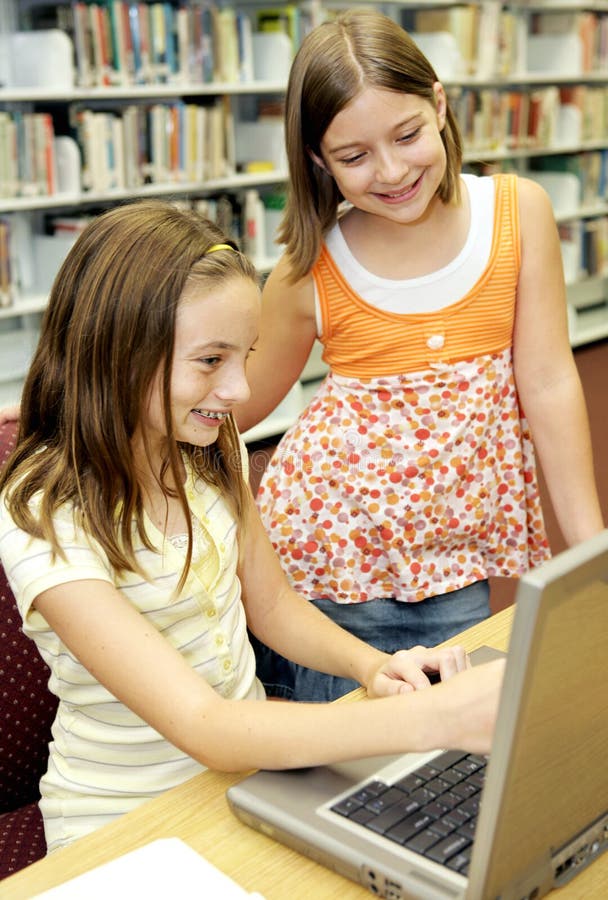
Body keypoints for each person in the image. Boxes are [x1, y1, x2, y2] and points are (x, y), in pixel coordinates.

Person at [0, 200, 504, 854]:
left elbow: (270, 603)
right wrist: (427, 719)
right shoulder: (44, 513)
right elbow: (205, 725)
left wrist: (374, 669)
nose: (238, 389)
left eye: (246, 355)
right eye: (211, 361)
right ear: (117, 351)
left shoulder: (208, 448)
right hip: (123, 824)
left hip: (248, 780)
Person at [234, 10, 605, 702]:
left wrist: (591, 553)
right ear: (318, 159)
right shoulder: (308, 267)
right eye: (354, 156)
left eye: (406, 135)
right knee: (345, 771)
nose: (392, 169)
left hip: (454, 562)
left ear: (439, 105)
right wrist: (95, 398)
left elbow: (550, 381)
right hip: (324, 569)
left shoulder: (519, 214)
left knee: (454, 758)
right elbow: (236, 399)